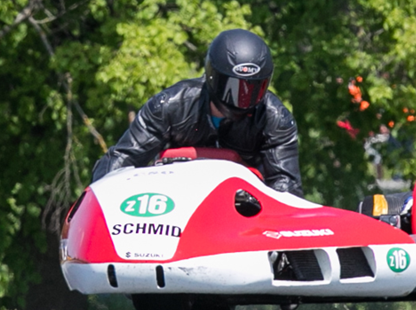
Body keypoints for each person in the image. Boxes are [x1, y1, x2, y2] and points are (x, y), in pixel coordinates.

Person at [92, 29, 302, 195]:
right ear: (213, 77)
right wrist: (98, 196)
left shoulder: (275, 118)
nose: (243, 99)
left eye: (254, 88)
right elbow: (122, 158)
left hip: (243, 208)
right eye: (234, 88)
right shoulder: (168, 106)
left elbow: (286, 186)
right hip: (174, 203)